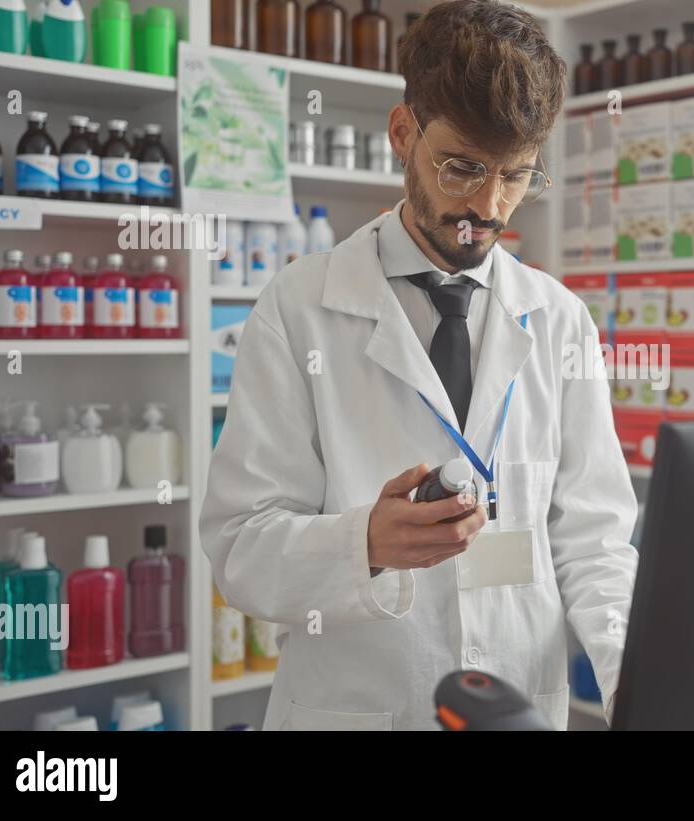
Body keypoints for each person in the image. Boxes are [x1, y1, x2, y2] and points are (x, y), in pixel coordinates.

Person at [200, 0, 637, 731]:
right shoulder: (298, 308)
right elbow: (239, 548)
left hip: (519, 707)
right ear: (403, 133)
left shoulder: (560, 319)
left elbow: (594, 542)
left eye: (516, 175)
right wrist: (361, 543)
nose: (488, 206)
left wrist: (636, 680)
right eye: (463, 167)